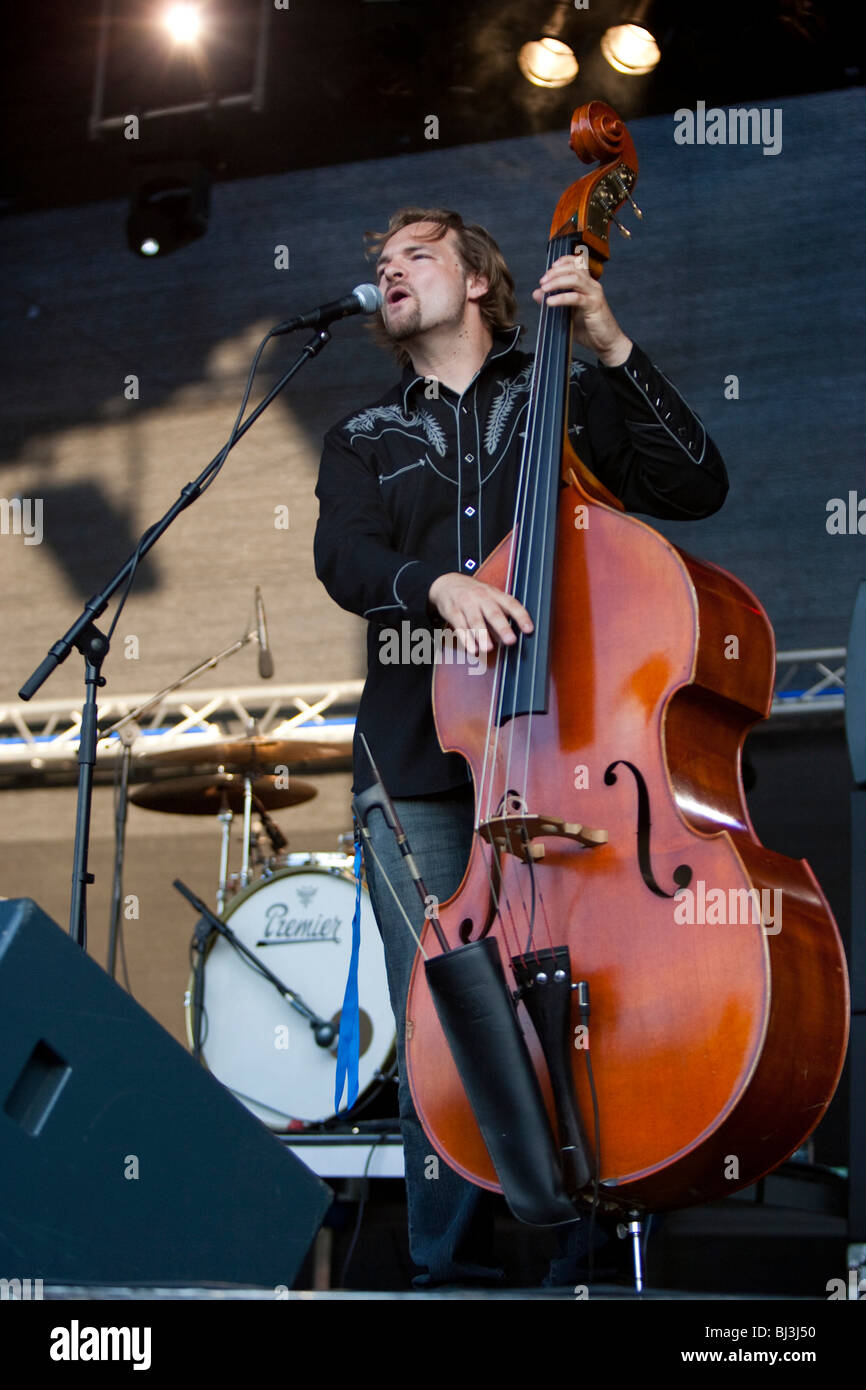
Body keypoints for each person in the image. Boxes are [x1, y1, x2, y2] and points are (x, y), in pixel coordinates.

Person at [314, 207, 728, 1288]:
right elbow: (343, 557)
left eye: (416, 253)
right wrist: (435, 585)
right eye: (380, 261)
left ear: (483, 281)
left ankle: (580, 1258)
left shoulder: (565, 392)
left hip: (570, 751)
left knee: (576, 997)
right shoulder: (361, 436)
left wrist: (607, 343)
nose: (388, 269)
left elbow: (694, 487)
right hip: (418, 763)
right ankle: (448, 1274)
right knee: (447, 1018)